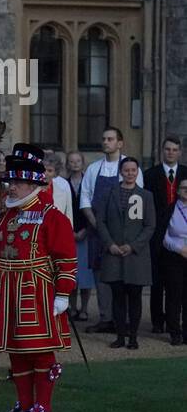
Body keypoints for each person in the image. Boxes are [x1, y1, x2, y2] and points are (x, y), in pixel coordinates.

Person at [0, 155, 77, 412]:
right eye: (11, 181)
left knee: (39, 349)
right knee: (16, 350)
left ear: (33, 184)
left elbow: (65, 257)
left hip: (37, 291)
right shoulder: (7, 214)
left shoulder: (51, 216)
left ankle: (43, 404)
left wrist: (63, 293)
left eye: (18, 182)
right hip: (7, 289)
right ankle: (24, 402)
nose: (11, 187)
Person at [80, 127, 143, 333]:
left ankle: (122, 319)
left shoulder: (131, 168)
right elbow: (85, 199)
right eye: (104, 138)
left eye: (110, 139)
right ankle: (106, 317)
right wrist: (98, 225)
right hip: (98, 231)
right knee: (101, 275)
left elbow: (137, 200)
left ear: (120, 143)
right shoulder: (93, 169)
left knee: (122, 275)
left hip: (122, 233)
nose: (106, 142)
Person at [97, 157, 155, 350]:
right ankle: (120, 336)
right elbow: (101, 221)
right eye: (126, 170)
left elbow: (150, 226)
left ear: (137, 172)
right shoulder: (109, 193)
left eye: (133, 170)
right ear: (121, 172)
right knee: (118, 296)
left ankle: (133, 337)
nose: (130, 173)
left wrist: (133, 246)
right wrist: (110, 244)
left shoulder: (146, 196)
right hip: (113, 253)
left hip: (135, 256)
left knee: (135, 297)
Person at [144, 136, 184, 335]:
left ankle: (175, 322)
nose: (171, 152)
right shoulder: (150, 175)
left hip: (181, 236)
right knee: (157, 280)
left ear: (180, 152)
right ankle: (158, 321)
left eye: (174, 149)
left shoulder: (186, 173)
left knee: (178, 283)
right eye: (167, 149)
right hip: (157, 234)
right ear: (162, 151)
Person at [66, 149, 95, 320]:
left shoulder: (88, 182)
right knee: (72, 274)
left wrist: (86, 229)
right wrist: (69, 231)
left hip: (86, 233)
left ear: (82, 163)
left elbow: (92, 208)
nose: (75, 164)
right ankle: (72, 306)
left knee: (85, 274)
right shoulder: (64, 184)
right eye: (72, 161)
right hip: (69, 233)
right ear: (68, 164)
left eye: (78, 161)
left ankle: (84, 308)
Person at [162, 178, 187, 346]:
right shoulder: (170, 209)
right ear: (178, 191)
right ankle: (175, 333)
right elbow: (163, 236)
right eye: (184, 187)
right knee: (174, 297)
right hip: (175, 258)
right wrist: (179, 249)